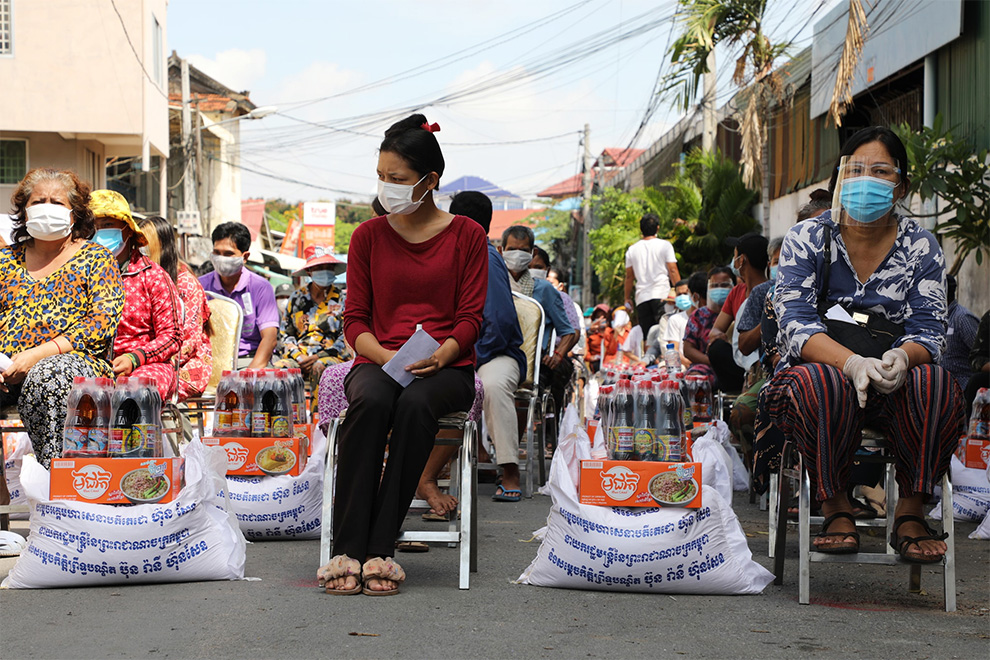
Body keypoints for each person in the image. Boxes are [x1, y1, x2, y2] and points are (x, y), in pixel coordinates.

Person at [765, 126, 965, 562]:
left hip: (896, 386)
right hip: (816, 384)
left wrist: (899, 357)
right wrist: (852, 363)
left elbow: (931, 330)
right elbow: (796, 324)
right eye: (855, 170)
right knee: (821, 382)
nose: (865, 180)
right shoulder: (809, 239)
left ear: (901, 184)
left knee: (938, 384)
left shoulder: (920, 246)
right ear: (839, 178)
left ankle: (911, 510)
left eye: (879, 171)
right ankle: (835, 504)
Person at [318, 115, 487, 596]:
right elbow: (355, 321)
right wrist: (386, 354)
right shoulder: (368, 236)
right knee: (370, 402)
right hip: (378, 360)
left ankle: (380, 550)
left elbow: (471, 319)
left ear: (429, 181)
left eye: (397, 179)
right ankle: (348, 550)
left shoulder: (468, 236)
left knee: (415, 406)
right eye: (381, 177)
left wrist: (443, 354)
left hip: (446, 366)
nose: (386, 187)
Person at [0, 169, 124, 466]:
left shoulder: (96, 257)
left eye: (57, 202)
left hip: (74, 365)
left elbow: (102, 321)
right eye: (38, 201)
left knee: (47, 378)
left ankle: (58, 482)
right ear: (25, 211)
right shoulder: (5, 261)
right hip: (7, 368)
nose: (47, 207)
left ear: (74, 214)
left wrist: (38, 355)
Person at [416, 190, 527, 507]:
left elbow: (500, 322)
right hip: (459, 350)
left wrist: (465, 356)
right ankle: (444, 467)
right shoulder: (450, 252)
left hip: (495, 352)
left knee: (489, 385)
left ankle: (508, 471)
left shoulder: (486, 256)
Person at [90, 191, 181, 402]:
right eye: (92, 228)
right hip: (93, 365)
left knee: (136, 395)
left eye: (105, 225)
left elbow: (172, 335)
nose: (98, 233)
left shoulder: (153, 276)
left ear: (127, 230)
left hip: (148, 365)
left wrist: (136, 357)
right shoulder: (80, 276)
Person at [501, 225, 576, 419]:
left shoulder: (544, 289)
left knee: (520, 399)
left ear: (532, 252)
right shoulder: (493, 282)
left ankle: (512, 443)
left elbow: (568, 331)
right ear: (501, 251)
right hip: (496, 355)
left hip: (533, 363)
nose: (517, 255)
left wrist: (558, 355)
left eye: (524, 250)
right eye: (511, 250)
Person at [136, 215, 213, 402]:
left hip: (184, 365)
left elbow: (188, 341)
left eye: (146, 243)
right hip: (145, 359)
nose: (140, 249)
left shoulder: (185, 284)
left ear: (162, 246)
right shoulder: (138, 278)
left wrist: (146, 359)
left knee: (143, 390)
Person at [199, 222, 279, 369]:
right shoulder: (200, 286)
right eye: (217, 253)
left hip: (249, 359)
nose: (221, 258)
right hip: (209, 361)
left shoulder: (261, 287)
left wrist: (247, 376)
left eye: (229, 254)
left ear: (245, 256)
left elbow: (269, 338)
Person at [274, 245, 350, 393]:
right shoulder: (296, 298)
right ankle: (286, 414)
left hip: (330, 356)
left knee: (320, 367)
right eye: (320, 267)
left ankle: (318, 415)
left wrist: (317, 357)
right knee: (279, 370)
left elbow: (345, 336)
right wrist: (299, 357)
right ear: (309, 272)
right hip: (299, 355)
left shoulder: (342, 299)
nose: (326, 271)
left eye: (329, 267)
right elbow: (286, 334)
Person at [706, 232, 768, 392]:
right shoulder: (737, 292)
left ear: (742, 260)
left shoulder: (768, 292)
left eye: (735, 256)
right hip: (740, 359)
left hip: (761, 361)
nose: (733, 262)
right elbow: (716, 331)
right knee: (716, 349)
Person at [624, 213, 680, 338]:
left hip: (642, 298)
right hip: (662, 295)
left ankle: (649, 357)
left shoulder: (632, 250)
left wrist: (627, 298)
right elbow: (673, 270)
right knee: (665, 334)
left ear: (641, 229)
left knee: (648, 337)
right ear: (658, 228)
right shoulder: (665, 245)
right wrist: (680, 291)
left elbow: (629, 277)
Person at [682, 267, 735, 383]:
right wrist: (712, 361)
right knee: (695, 380)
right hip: (706, 367)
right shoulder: (698, 316)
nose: (719, 289)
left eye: (724, 285)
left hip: (736, 367)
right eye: (715, 286)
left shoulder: (741, 312)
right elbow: (688, 349)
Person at [941, 274, 979, 392]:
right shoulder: (936, 318)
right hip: (941, 388)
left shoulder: (962, 318)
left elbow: (982, 354)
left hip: (962, 390)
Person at [644, 281, 691, 367]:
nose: (682, 297)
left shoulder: (701, 316)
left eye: (685, 293)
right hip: (675, 362)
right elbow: (666, 348)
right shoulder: (667, 319)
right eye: (679, 294)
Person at [584, 305, 609, 373]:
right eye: (598, 317)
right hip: (595, 367)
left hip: (610, 365)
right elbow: (585, 350)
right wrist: (591, 357)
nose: (601, 319)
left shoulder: (612, 333)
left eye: (604, 316)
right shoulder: (590, 333)